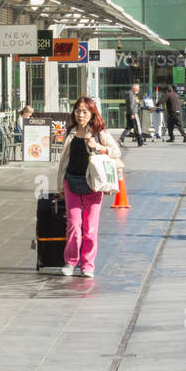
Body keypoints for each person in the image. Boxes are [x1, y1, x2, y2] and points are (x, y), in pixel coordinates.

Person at [55, 96, 121, 277]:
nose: (80, 115)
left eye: (84, 111)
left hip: (93, 185)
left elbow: (116, 151)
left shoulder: (99, 132)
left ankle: (88, 264)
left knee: (90, 229)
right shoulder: (70, 132)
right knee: (74, 226)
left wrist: (98, 146)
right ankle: (70, 261)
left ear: (92, 113)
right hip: (71, 182)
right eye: (77, 111)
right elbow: (64, 161)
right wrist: (61, 183)